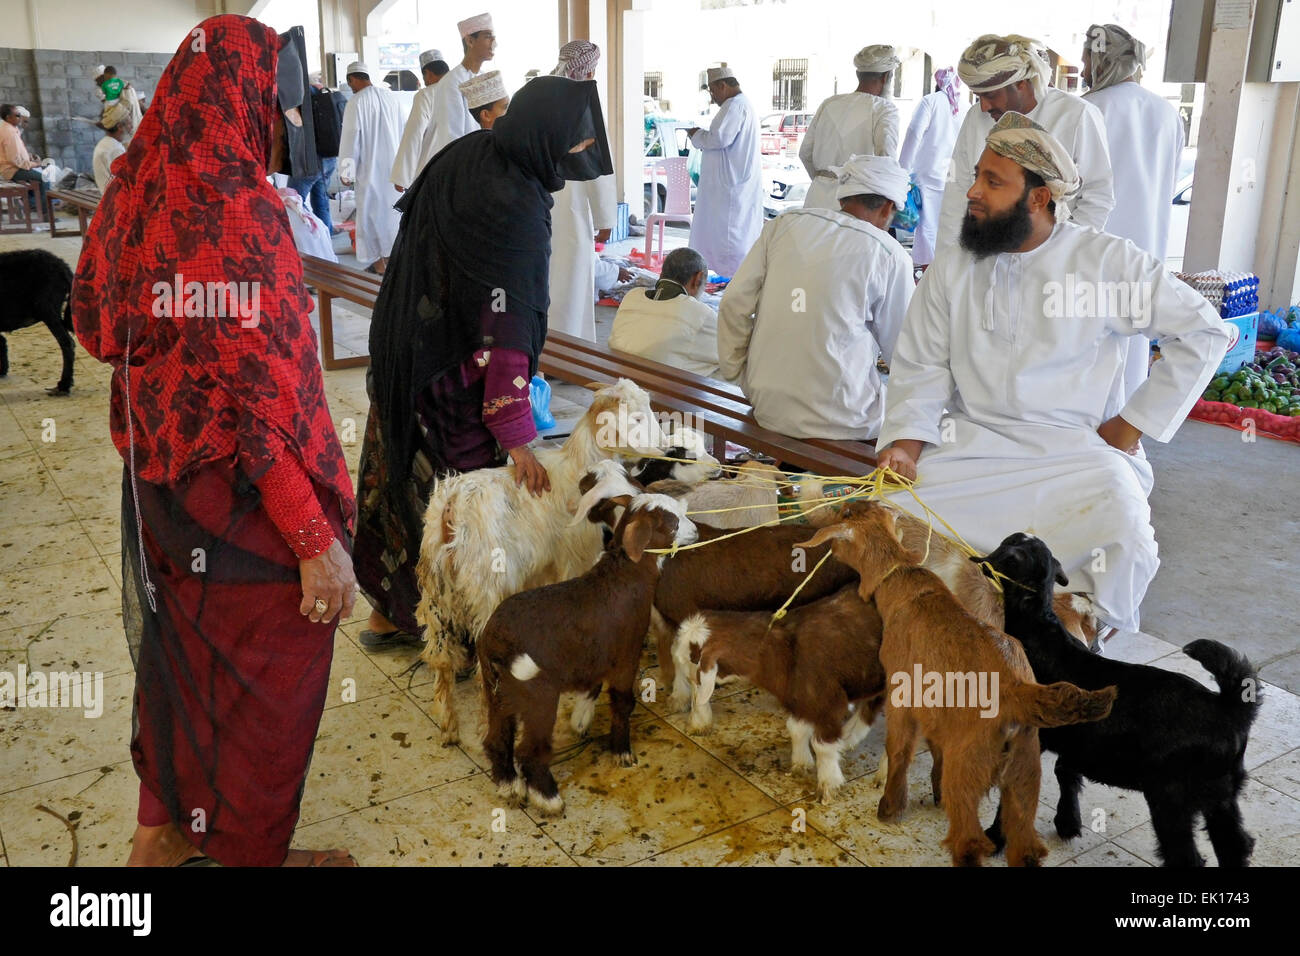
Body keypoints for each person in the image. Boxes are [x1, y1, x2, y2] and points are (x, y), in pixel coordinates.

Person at [70, 14, 359, 868]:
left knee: (183, 658)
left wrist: (172, 367)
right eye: (276, 103)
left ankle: (161, 835)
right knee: (274, 672)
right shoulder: (241, 212)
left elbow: (91, 325)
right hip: (238, 501)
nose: (281, 123)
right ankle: (247, 852)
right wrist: (316, 544)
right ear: (244, 97)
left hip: (158, 482)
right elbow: (265, 415)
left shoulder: (131, 189)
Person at [874, 113, 1229, 640]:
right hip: (972, 446)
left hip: (1075, 452)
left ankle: (1072, 647)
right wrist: (905, 444)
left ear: (1039, 199)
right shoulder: (954, 267)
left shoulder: (1105, 262)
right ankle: (945, 640)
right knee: (887, 519)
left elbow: (1204, 331)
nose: (973, 192)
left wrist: (1129, 427)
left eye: (993, 182)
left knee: (1126, 541)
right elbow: (922, 363)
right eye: (977, 175)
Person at [353, 75, 612, 648]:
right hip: (453, 376)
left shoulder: (469, 154)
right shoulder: (515, 201)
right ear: (545, 135)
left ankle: (391, 610)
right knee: (459, 501)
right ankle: (463, 628)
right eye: (573, 141)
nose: (578, 154)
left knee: (400, 474)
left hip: (408, 348)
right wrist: (515, 431)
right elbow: (509, 327)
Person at [718, 154, 914, 440]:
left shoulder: (783, 225)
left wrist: (739, 373)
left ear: (843, 199)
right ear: (887, 208)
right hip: (843, 422)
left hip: (766, 405)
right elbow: (904, 351)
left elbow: (733, 303)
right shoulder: (889, 253)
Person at [934, 33, 1113, 256]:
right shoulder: (975, 118)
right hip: (988, 260)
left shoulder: (1076, 114)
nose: (984, 107)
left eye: (990, 95)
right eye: (978, 97)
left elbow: (1098, 196)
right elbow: (957, 192)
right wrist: (949, 260)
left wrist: (1064, 253)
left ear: (1020, 83)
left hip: (1055, 260)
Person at [1083, 23, 1186, 403]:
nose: (1083, 72)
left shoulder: (1090, 109)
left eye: (1086, 62)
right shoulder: (1167, 113)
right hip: (1147, 248)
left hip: (1097, 251)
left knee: (1092, 344)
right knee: (1135, 341)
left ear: (1101, 60)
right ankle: (1127, 432)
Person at [547, 40, 617, 340]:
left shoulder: (540, 95)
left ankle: (543, 350)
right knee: (571, 281)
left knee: (545, 276)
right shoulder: (584, 103)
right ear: (588, 69)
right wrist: (605, 219)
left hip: (539, 202)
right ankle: (569, 351)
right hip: (571, 210)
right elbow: (597, 165)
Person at [800, 45, 901, 210]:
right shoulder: (884, 109)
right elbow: (887, 162)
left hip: (816, 199)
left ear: (857, 74)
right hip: (855, 204)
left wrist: (824, 179)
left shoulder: (829, 103)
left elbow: (805, 153)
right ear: (886, 77)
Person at [686, 66, 764, 277]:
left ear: (723, 85)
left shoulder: (735, 106)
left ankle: (732, 282)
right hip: (733, 185)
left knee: (729, 239)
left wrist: (696, 134)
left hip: (730, 188)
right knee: (729, 236)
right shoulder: (740, 105)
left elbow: (719, 138)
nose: (712, 98)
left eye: (713, 91)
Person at [609, 247, 721, 377]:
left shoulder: (632, 296)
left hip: (618, 376)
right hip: (657, 388)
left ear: (661, 274)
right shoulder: (701, 313)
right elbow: (726, 356)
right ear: (698, 278)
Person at [338, 61, 404, 274]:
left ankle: (380, 267)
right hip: (395, 171)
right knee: (393, 217)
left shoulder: (356, 102)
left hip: (370, 171)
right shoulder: (391, 98)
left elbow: (350, 137)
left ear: (352, 80)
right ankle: (392, 264)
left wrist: (346, 172)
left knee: (370, 217)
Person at [899, 67, 964, 268]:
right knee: (952, 228)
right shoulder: (967, 105)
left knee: (927, 229)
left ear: (937, 84)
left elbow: (914, 133)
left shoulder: (930, 101)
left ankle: (928, 275)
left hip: (928, 176)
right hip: (956, 177)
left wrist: (902, 170)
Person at [427, 13, 496, 158]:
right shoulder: (451, 82)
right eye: (488, 36)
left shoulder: (484, 78)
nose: (494, 43)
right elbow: (451, 140)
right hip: (465, 164)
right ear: (470, 41)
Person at [289, 73, 347, 234]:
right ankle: (326, 230)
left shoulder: (300, 99)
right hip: (329, 158)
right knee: (320, 197)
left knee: (294, 199)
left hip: (310, 159)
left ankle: (306, 233)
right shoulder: (322, 96)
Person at [390, 49, 451, 192]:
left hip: (432, 168)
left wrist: (402, 177)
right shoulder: (461, 90)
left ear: (428, 73)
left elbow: (413, 134)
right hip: (460, 165)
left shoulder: (426, 95)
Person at [0, 104, 49, 211]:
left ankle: (31, 204)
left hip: (13, 167)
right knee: (45, 179)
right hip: (13, 170)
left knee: (39, 175)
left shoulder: (8, 128)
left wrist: (29, 157)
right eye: (18, 116)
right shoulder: (9, 133)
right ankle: (44, 212)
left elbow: (16, 153)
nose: (20, 118)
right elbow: (15, 160)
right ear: (9, 117)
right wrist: (35, 164)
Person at [95, 65, 145, 135]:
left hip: (133, 130)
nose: (97, 84)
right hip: (126, 131)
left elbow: (126, 105)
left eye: (98, 80)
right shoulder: (112, 90)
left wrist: (106, 122)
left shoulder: (125, 88)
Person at [92, 114, 132, 192]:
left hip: (107, 193)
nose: (131, 127)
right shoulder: (115, 149)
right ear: (120, 127)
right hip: (114, 198)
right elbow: (127, 180)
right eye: (129, 123)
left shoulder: (106, 142)